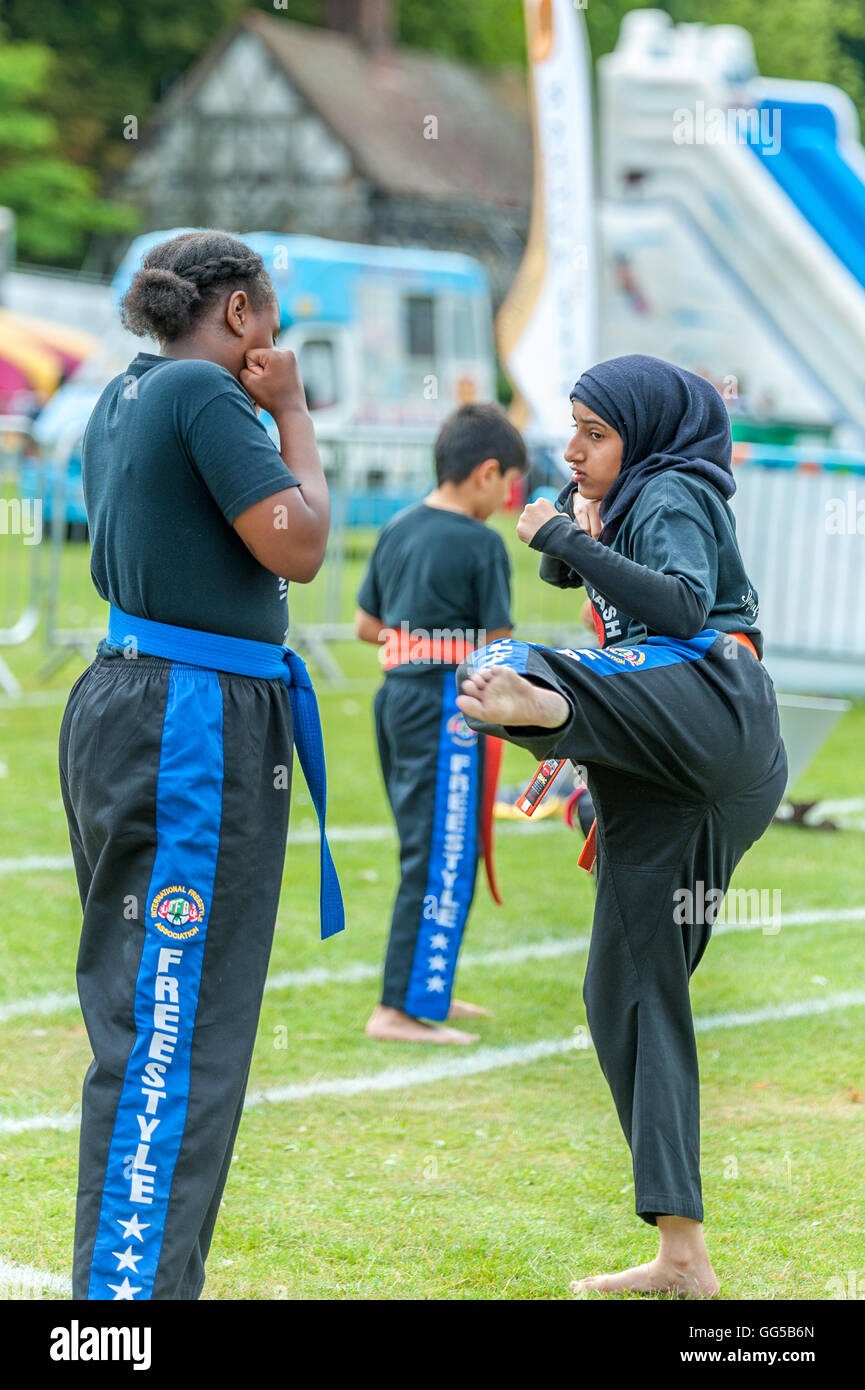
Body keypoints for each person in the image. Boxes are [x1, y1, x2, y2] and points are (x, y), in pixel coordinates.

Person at [455, 355, 787, 1297]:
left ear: (647, 435)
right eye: (572, 430)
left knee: (523, 660)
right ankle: (682, 1258)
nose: (572, 450)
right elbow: (571, 570)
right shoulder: (627, 492)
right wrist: (575, 517)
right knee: (628, 997)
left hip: (714, 703)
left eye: (594, 433)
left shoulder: (675, 487)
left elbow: (680, 607)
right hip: (686, 773)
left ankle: (549, 711)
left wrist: (566, 526)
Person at [58, 230, 342, 1301]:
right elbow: (300, 542)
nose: (271, 345)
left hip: (135, 696)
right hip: (188, 718)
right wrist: (296, 413)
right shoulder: (206, 396)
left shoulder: (124, 394)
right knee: (174, 1027)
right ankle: (128, 1305)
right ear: (235, 315)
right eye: (267, 323)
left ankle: (136, 1289)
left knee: (151, 1017)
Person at [356, 404, 527, 1043]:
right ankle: (397, 1010)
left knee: (433, 848)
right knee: (441, 854)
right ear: (486, 474)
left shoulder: (398, 527)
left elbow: (364, 626)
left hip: (397, 703)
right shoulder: (482, 544)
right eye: (508, 484)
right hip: (447, 715)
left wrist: (415, 637)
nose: (508, 501)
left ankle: (430, 989)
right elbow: (500, 645)